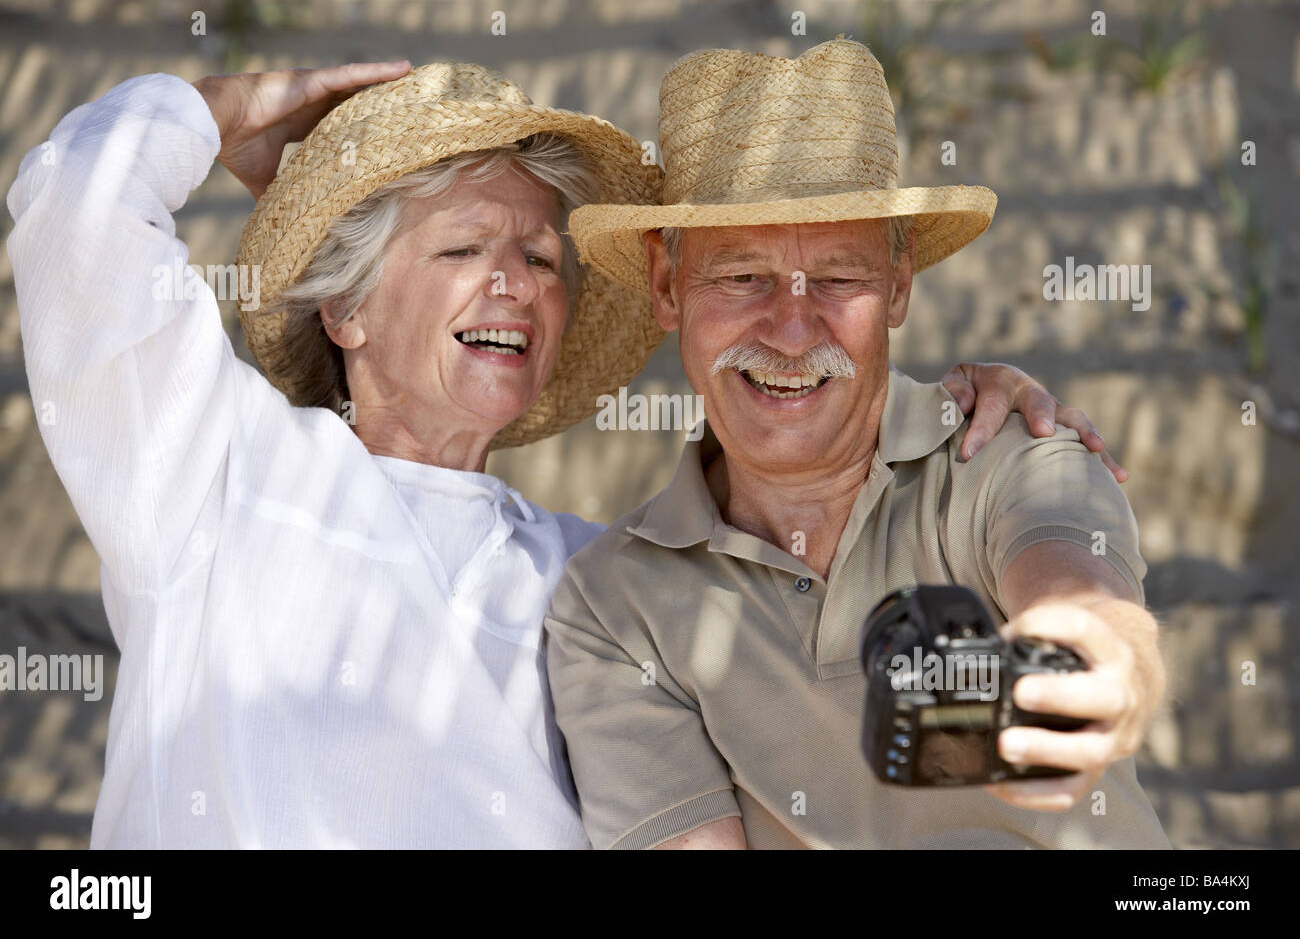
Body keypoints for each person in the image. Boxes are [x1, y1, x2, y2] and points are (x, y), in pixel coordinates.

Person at [7, 56, 1120, 848]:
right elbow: (76, 211)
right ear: (342, 310)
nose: (517, 282)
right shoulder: (215, 472)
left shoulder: (594, 581)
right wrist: (234, 104)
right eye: (464, 247)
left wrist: (938, 412)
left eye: (542, 258)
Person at [545, 38, 1171, 849]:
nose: (793, 330)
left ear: (899, 286)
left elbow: (1082, 596)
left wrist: (1093, 667)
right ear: (668, 286)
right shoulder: (612, 603)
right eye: (742, 277)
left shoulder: (1014, 453)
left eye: (839, 279)